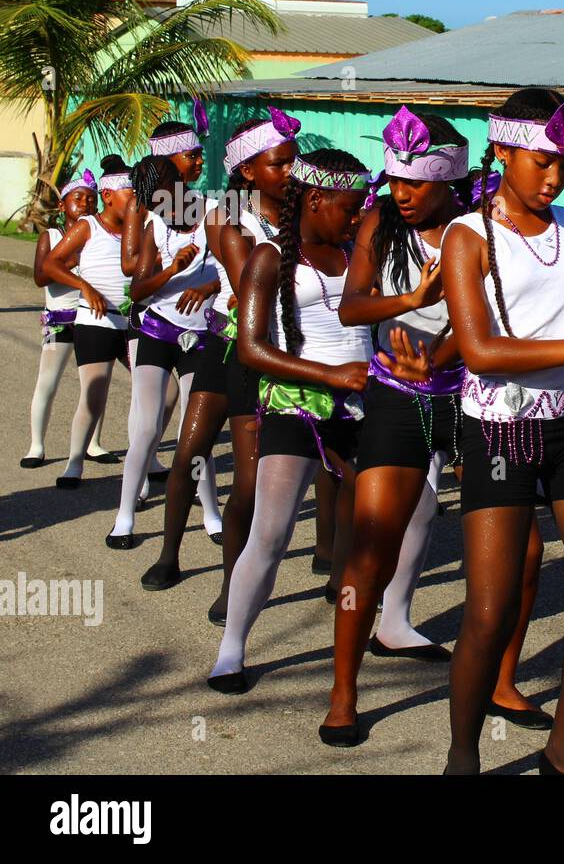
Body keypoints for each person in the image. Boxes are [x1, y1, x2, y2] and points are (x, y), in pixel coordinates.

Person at [440, 87, 564, 774]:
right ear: (502, 151)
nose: (556, 176)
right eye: (543, 161)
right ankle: (463, 755)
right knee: (490, 611)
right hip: (499, 433)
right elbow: (479, 351)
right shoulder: (468, 236)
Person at [321, 107, 471, 746]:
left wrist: (439, 358)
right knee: (370, 549)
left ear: (449, 179)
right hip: (395, 395)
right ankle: (343, 692)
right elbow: (352, 305)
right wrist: (412, 300)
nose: (401, 193)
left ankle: (497, 681)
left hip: (469, 396)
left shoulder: (478, 229)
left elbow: (491, 318)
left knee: (517, 551)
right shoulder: (380, 223)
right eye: (396, 180)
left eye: (415, 182)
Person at [209, 149, 375, 694]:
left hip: (362, 407)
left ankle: (394, 623)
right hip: (296, 406)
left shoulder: (359, 255)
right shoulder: (269, 257)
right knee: (272, 533)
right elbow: (252, 349)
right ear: (316, 200)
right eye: (350, 208)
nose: (358, 217)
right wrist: (331, 374)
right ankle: (231, 649)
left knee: (410, 513)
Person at [141, 111, 299, 596]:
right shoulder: (226, 216)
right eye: (279, 164)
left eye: (293, 162)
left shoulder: (302, 213)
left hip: (279, 348)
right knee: (191, 452)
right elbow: (247, 282)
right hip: (232, 346)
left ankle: (233, 584)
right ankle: (169, 553)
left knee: (249, 482)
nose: (291, 172)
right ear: (247, 171)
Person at [105, 154, 220, 551]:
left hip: (202, 334)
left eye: (163, 201)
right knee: (146, 428)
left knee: (197, 430)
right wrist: (171, 270)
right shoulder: (155, 226)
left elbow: (240, 270)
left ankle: (211, 513)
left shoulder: (216, 213)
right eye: (152, 205)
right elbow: (137, 291)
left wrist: (209, 287)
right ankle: (124, 517)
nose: (160, 211)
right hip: (157, 330)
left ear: (180, 188)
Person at [43, 158, 136, 490]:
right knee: (93, 396)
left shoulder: (139, 227)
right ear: (108, 196)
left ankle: (146, 457)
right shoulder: (88, 227)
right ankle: (74, 462)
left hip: (134, 324)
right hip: (96, 322)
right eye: (130, 194)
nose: (136, 200)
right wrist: (84, 286)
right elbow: (51, 265)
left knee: (157, 393)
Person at [23, 170, 115, 469]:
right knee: (47, 381)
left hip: (93, 319)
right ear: (62, 205)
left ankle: (93, 443)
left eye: (91, 199)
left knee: (96, 385)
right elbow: (40, 277)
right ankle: (36, 445)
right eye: (78, 198)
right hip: (59, 321)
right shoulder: (51, 237)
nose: (85, 204)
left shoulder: (99, 234)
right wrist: (73, 258)